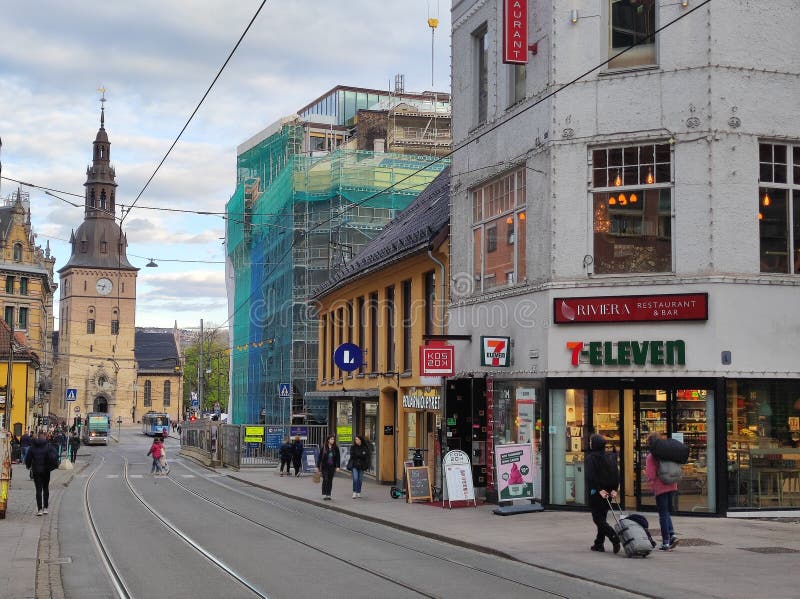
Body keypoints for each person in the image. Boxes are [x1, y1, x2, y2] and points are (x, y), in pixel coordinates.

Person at [585, 433, 621, 553]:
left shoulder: (591, 458)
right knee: (602, 517)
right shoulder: (610, 457)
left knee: (597, 519)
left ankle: (614, 537)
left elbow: (591, 476)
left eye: (591, 442)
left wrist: (599, 489)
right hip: (609, 491)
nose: (590, 443)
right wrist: (615, 489)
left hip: (597, 491)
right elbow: (616, 473)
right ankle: (599, 543)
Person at [645, 432, 679, 551]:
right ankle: (672, 534)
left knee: (662, 514)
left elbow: (651, 474)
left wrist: (650, 483)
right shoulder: (668, 452)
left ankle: (665, 542)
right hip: (672, 484)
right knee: (666, 511)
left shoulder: (651, 456)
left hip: (660, 486)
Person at [25, 432, 58, 516]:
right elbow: (55, 456)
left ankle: (39, 509)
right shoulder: (48, 446)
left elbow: (28, 458)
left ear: (37, 438)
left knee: (38, 490)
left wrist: (28, 466)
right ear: (44, 438)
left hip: (36, 471)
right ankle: (45, 508)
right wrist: (52, 466)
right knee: (46, 488)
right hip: (46, 470)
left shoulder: (32, 447)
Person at [318, 435, 340, 500]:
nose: (333, 440)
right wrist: (317, 466)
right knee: (326, 479)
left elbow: (338, 457)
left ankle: (328, 494)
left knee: (330, 480)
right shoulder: (324, 447)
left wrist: (338, 466)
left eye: (333, 439)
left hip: (332, 467)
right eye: (331, 439)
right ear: (328, 440)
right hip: (325, 467)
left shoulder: (335, 448)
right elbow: (320, 457)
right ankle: (324, 493)